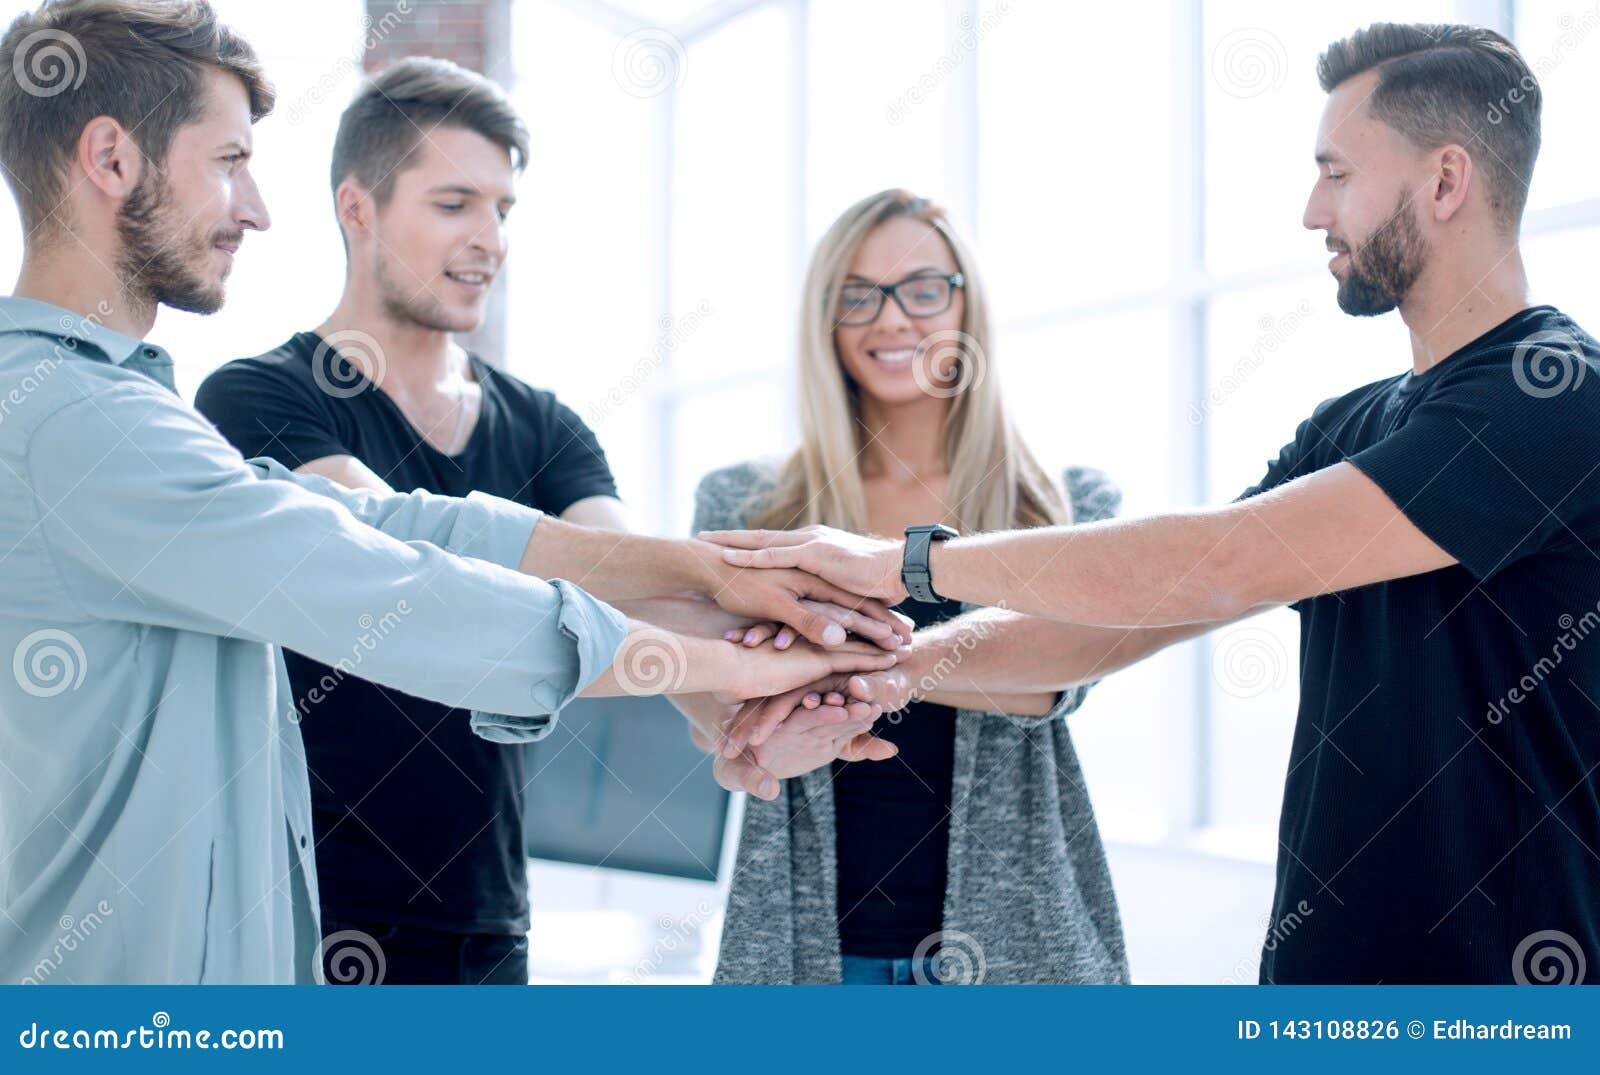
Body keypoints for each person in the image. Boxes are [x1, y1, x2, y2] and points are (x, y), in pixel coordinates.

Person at [0, 0, 899, 985]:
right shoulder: (87, 421)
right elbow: (390, 581)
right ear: (111, 158)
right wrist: (746, 661)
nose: (255, 208)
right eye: (229, 160)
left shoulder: (114, 407)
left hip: (449, 924)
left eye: (501, 209)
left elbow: (382, 525)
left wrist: (724, 632)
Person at [707, 23, 1600, 985]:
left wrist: (904, 564)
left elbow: (1221, 562)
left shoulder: (1554, 398)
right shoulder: (1350, 425)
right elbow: (1134, 613)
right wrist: (886, 677)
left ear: (1445, 179)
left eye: (1336, 174)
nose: (1312, 210)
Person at [690, 189, 1128, 985]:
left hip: (1021, 946)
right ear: (826, 317)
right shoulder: (746, 507)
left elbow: (1057, 673)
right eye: (857, 295)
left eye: (923, 290)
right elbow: (718, 699)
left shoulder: (1064, 507)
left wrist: (824, 662)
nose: (891, 320)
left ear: (967, 304)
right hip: (807, 952)